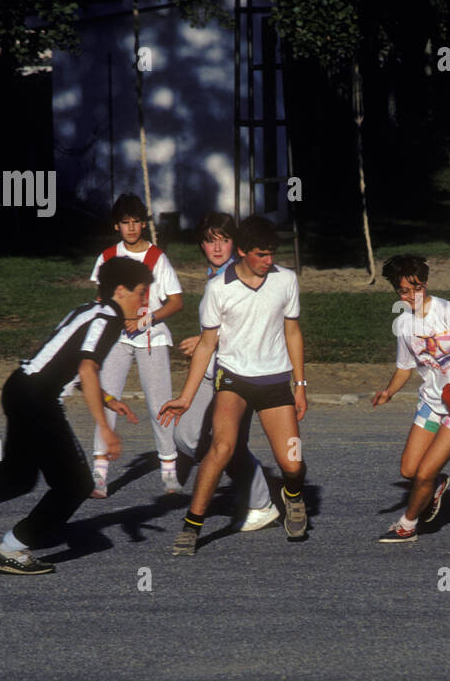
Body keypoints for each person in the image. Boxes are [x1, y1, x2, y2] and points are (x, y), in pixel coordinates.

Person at [0, 258, 152, 575]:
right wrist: (105, 428)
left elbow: (69, 363)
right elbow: (87, 368)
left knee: (16, 478)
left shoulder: (87, 310)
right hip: (37, 399)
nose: (144, 301)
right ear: (121, 290)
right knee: (76, 485)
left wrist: (106, 399)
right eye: (142, 292)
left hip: (20, 388)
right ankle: (11, 550)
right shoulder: (108, 319)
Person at [159, 216, 309, 553]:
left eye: (272, 254)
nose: (269, 261)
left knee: (293, 463)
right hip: (234, 379)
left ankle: (293, 495)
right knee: (222, 448)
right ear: (242, 251)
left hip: (274, 381)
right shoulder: (218, 289)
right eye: (261, 255)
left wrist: (300, 385)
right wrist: (186, 397)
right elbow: (207, 346)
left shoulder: (286, 280)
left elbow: (293, 333)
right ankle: (191, 526)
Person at [372, 255, 450, 543]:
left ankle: (407, 525)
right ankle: (437, 484)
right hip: (432, 403)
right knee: (410, 470)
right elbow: (405, 367)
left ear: (425, 284)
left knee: (425, 472)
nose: (411, 296)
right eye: (404, 291)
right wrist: (389, 391)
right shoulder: (404, 324)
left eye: (416, 288)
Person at [171, 212, 279, 532]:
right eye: (209, 240)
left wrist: (206, 340)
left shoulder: (242, 275)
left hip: (238, 375)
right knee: (188, 437)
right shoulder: (214, 273)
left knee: (226, 444)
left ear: (237, 243)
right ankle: (248, 490)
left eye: (224, 240)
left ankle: (261, 503)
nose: (217, 247)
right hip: (211, 371)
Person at [87, 193, 184, 496]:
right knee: (108, 401)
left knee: (160, 405)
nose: (131, 228)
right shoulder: (106, 257)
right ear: (116, 225)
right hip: (116, 339)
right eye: (125, 223)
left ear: (144, 223)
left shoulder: (156, 257)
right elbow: (101, 302)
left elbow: (176, 302)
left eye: (136, 222)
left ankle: (169, 470)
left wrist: (147, 320)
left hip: (151, 338)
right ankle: (100, 474)